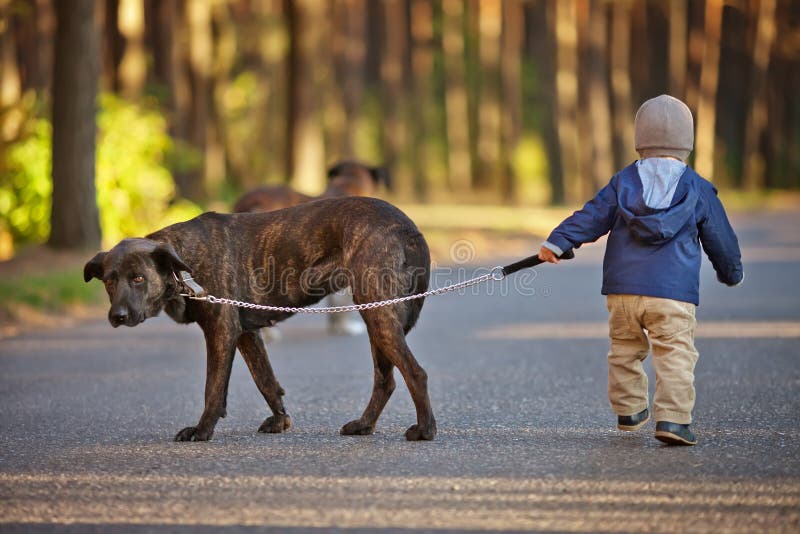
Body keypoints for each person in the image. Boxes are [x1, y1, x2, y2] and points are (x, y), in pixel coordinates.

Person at [538, 94, 744, 446]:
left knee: (624, 349)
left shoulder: (623, 182)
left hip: (623, 292)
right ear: (687, 143)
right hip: (672, 295)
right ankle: (674, 421)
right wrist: (731, 272)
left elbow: (591, 216)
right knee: (675, 354)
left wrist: (558, 242)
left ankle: (630, 410)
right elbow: (720, 239)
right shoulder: (697, 188)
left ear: (640, 140)